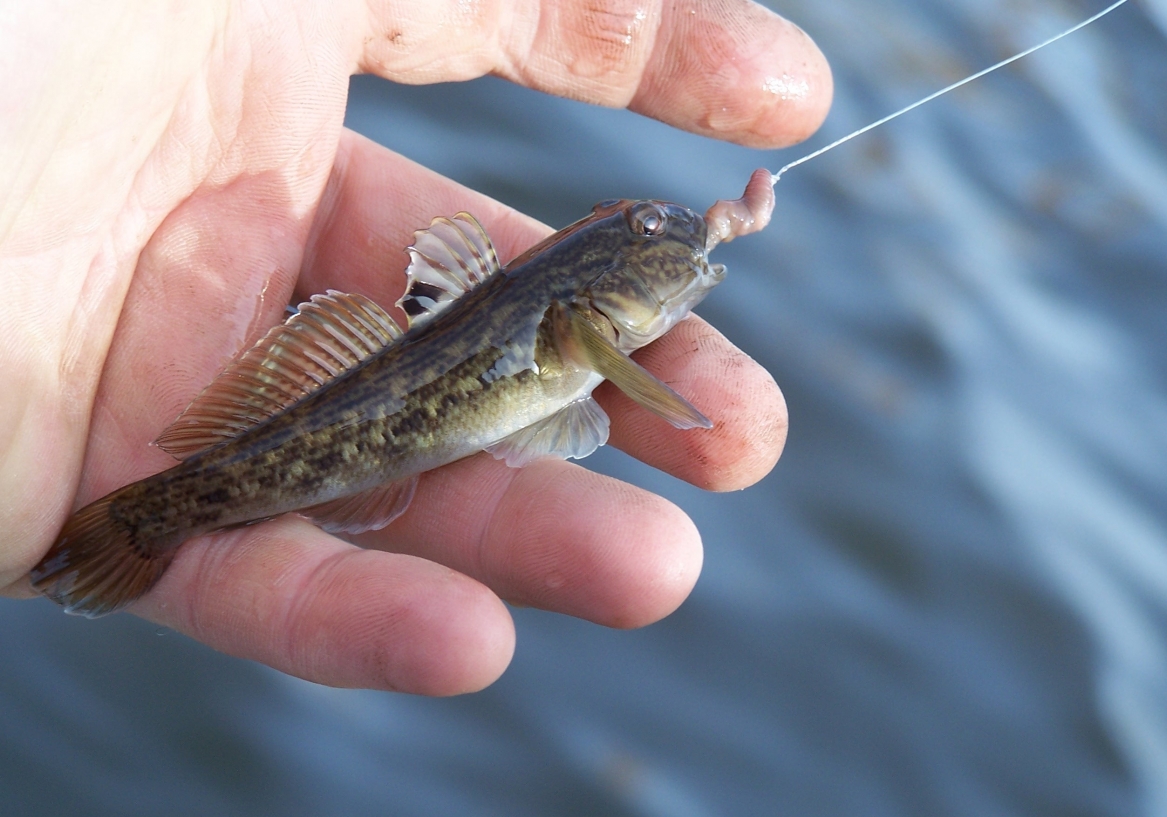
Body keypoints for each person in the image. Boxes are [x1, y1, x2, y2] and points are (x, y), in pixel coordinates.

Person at [0, 0, 831, 694]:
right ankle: (149, 520)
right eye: (642, 225)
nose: (669, 228)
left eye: (642, 224)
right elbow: (604, 409)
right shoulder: (583, 331)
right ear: (592, 301)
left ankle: (151, 519)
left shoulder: (584, 321)